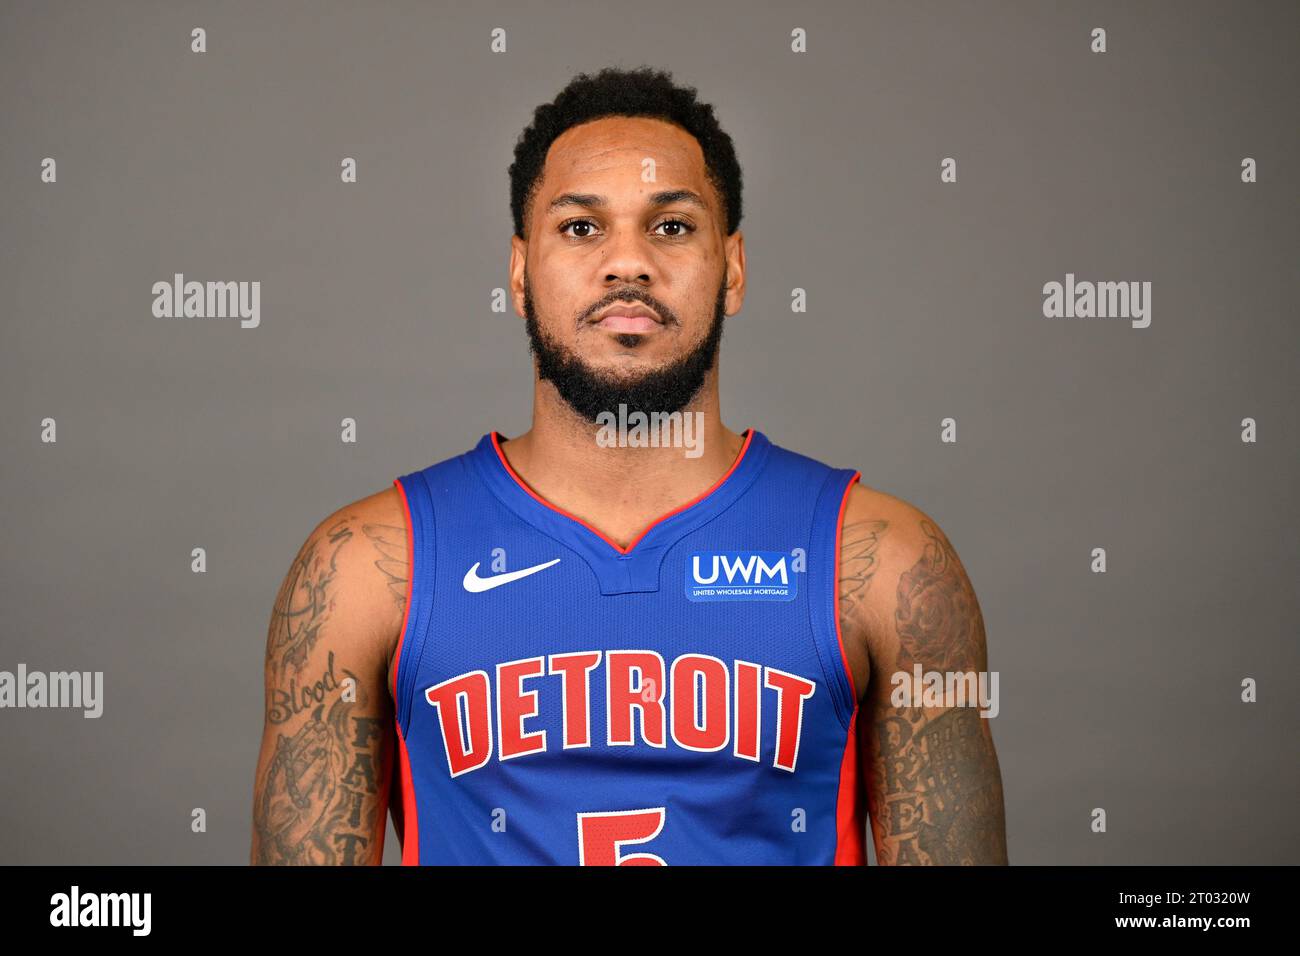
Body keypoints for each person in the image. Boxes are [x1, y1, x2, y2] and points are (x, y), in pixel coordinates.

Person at [250, 66, 1007, 865]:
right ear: (518, 272)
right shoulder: (367, 569)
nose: (627, 264)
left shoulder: (885, 562)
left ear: (735, 268)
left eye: (672, 227)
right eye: (581, 229)